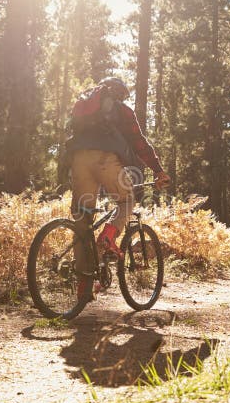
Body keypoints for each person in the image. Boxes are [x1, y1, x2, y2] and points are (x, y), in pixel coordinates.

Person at [65, 77, 170, 299]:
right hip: (105, 159)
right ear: (119, 94)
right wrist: (158, 170)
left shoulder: (86, 108)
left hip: (78, 160)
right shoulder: (122, 111)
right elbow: (139, 143)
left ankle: (84, 289)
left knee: (82, 222)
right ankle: (109, 235)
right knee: (127, 199)